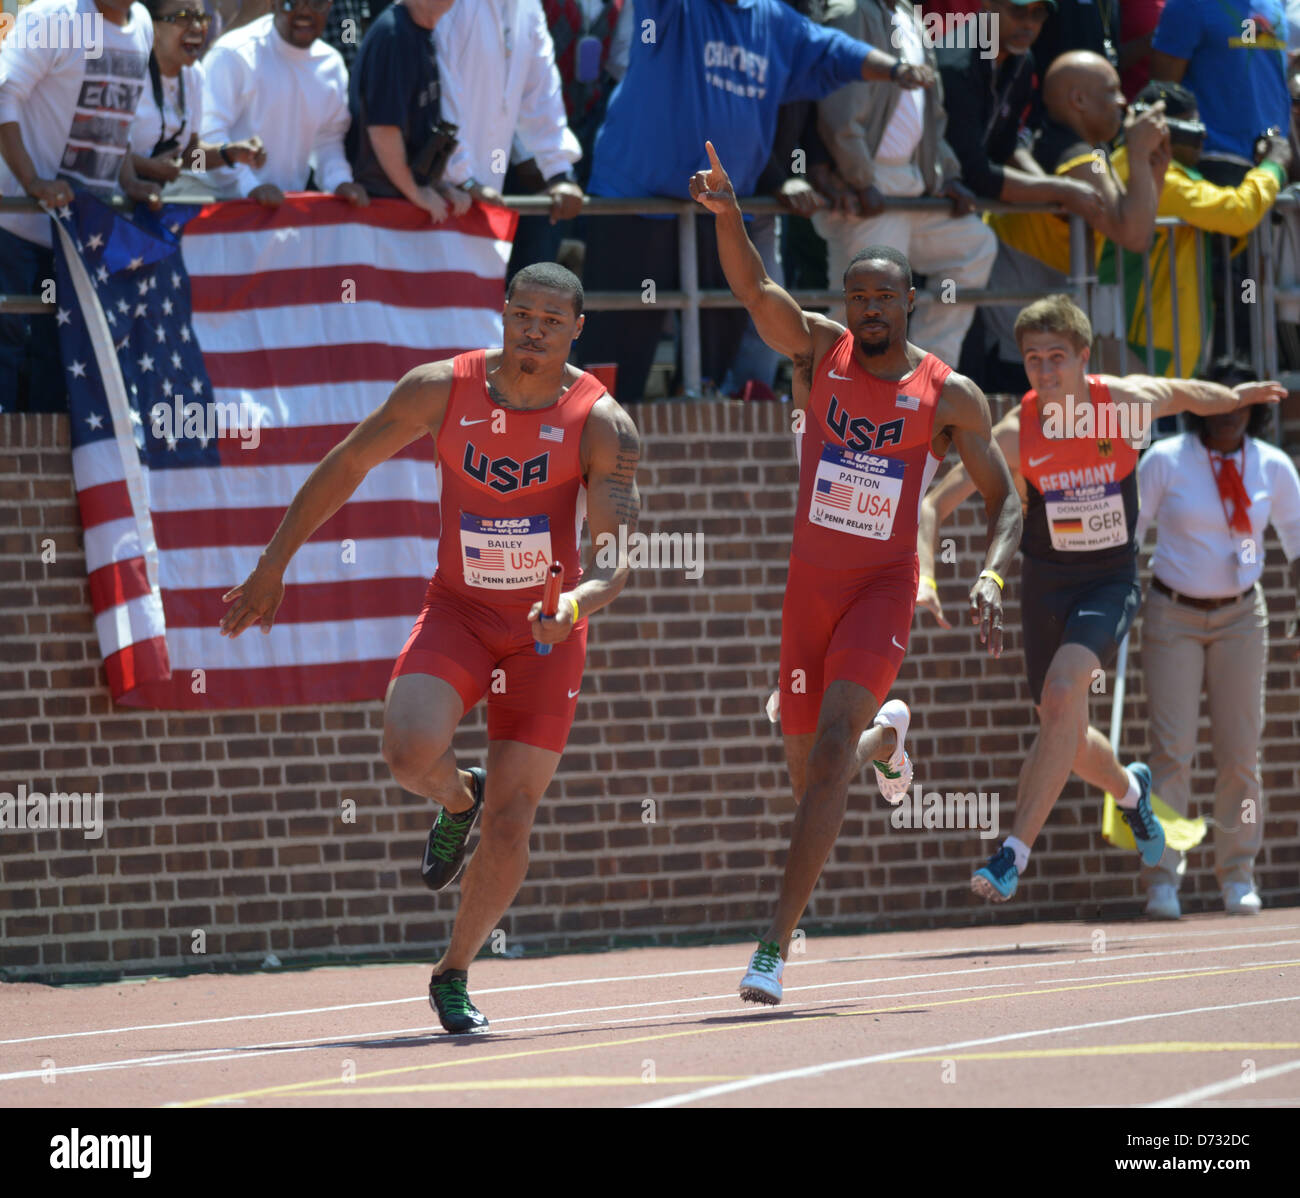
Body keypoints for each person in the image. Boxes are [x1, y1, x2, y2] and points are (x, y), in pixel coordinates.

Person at [219, 263, 641, 1033]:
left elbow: (614, 561)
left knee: (513, 819)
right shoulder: (440, 389)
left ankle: (454, 971)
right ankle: (456, 797)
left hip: (545, 634)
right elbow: (348, 462)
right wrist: (273, 565)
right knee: (408, 748)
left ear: (577, 329)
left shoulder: (603, 423)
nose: (535, 329)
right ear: (503, 313)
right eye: (523, 314)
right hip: (460, 610)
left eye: (553, 320)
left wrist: (574, 604)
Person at [691, 142, 1022, 1005]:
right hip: (809, 588)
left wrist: (990, 576)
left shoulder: (950, 396)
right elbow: (756, 291)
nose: (870, 309)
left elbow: (1005, 499)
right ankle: (888, 743)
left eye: (884, 297)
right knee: (813, 774)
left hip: (880, 589)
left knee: (830, 754)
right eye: (858, 297)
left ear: (911, 302)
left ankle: (772, 947)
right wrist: (730, 217)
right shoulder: (819, 352)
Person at [917, 294, 1285, 903]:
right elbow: (934, 504)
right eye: (1033, 359)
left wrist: (1237, 396)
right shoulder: (1017, 432)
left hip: (1109, 582)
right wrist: (926, 578)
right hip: (1047, 584)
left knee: (1064, 693)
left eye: (1056, 357)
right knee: (1061, 723)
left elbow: (1189, 393)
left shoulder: (1122, 403)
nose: (1044, 371)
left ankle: (1013, 853)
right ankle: (1132, 791)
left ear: (1084, 356)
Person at [577, 0, 935, 403]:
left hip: (721, 205)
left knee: (717, 340)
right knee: (617, 342)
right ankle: (596, 423)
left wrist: (895, 70)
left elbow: (834, 50)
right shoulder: (678, 8)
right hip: (636, 198)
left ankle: (702, 416)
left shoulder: (774, 20)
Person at [1134, 356, 1300, 920]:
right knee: (1172, 754)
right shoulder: (1165, 460)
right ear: (1198, 403)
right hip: (1172, 614)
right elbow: (1131, 536)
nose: (1230, 409)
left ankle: (1238, 874)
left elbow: (1296, 543)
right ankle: (1162, 879)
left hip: (1242, 618)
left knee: (1240, 755)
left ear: (1254, 408)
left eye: (1240, 399)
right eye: (1218, 397)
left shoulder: (1274, 467)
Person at [811, 0, 996, 370]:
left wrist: (946, 175)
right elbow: (839, 110)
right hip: (868, 184)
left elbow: (932, 116)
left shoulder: (910, 16)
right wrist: (860, 178)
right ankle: (839, 390)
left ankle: (928, 379)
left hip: (911, 184)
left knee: (974, 246)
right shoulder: (851, 11)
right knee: (861, 312)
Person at [0, 0, 161, 413]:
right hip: (18, 230)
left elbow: (117, 118)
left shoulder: (142, 24)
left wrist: (129, 181)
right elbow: (4, 94)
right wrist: (32, 181)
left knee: (59, 371)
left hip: (84, 240)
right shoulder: (53, 17)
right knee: (10, 357)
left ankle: (42, 456)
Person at [979, 50, 1167, 392]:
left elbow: (1135, 223)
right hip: (1023, 333)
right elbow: (1135, 236)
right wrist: (1138, 155)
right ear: (1078, 100)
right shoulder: (1075, 155)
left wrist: (1153, 167)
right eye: (1112, 91)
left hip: (1037, 324)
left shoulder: (1081, 148)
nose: (1123, 102)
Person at [1103, 80, 1291, 377]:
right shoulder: (1151, 175)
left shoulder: (1163, 172)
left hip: (1160, 344)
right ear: (1161, 131)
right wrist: (1273, 166)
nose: (1203, 139)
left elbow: (1232, 227)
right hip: (1143, 345)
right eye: (1193, 130)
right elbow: (1239, 212)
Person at [201, 0, 368, 208]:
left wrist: (340, 181)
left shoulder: (332, 64)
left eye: (316, 3)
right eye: (292, 3)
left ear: (329, 6)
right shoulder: (233, 53)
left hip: (282, 211)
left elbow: (328, 139)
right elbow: (208, 135)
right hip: (219, 207)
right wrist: (250, 187)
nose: (304, 12)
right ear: (274, 4)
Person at [434, 1, 584, 225]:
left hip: (485, 192)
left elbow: (541, 93)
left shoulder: (529, 7)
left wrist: (558, 173)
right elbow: (436, 92)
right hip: (436, 192)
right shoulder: (452, 6)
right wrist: (463, 179)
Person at [129, 0, 267, 191]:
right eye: (183, 18)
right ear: (153, 28)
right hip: (110, 202)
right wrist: (148, 168)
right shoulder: (130, 72)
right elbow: (99, 151)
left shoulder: (193, 74)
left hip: (156, 200)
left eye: (201, 18)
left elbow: (190, 158)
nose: (196, 27)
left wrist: (229, 154)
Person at [346, 0, 466, 219]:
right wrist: (416, 192)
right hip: (380, 205)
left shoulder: (421, 31)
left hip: (401, 200)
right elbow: (383, 130)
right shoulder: (394, 35)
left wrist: (438, 187)